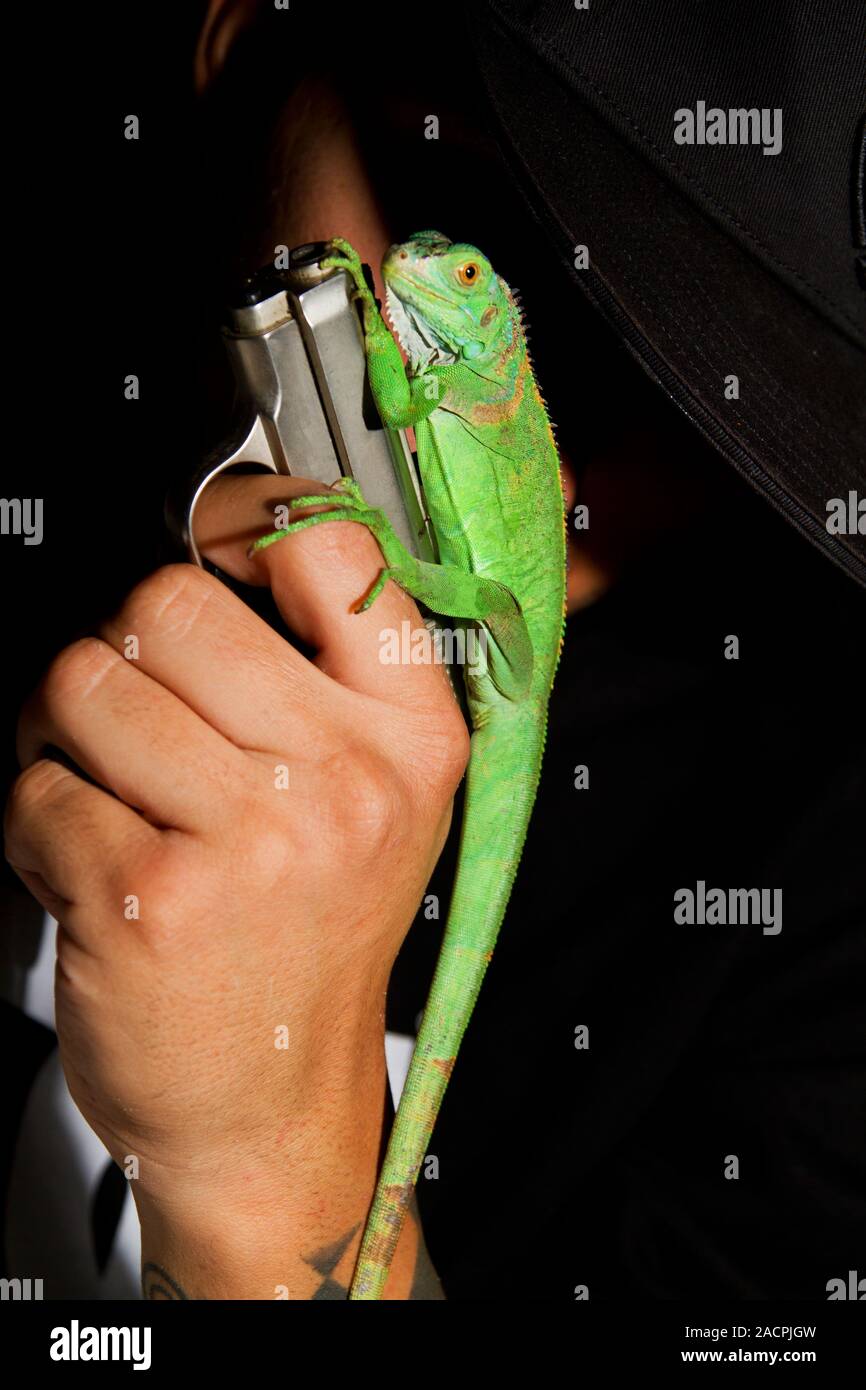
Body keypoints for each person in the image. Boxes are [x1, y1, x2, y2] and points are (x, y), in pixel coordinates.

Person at [2, 0, 864, 1300]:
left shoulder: (815, 895)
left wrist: (271, 1184)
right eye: (497, 217)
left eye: (725, 414)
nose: (580, 467)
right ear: (237, 41)